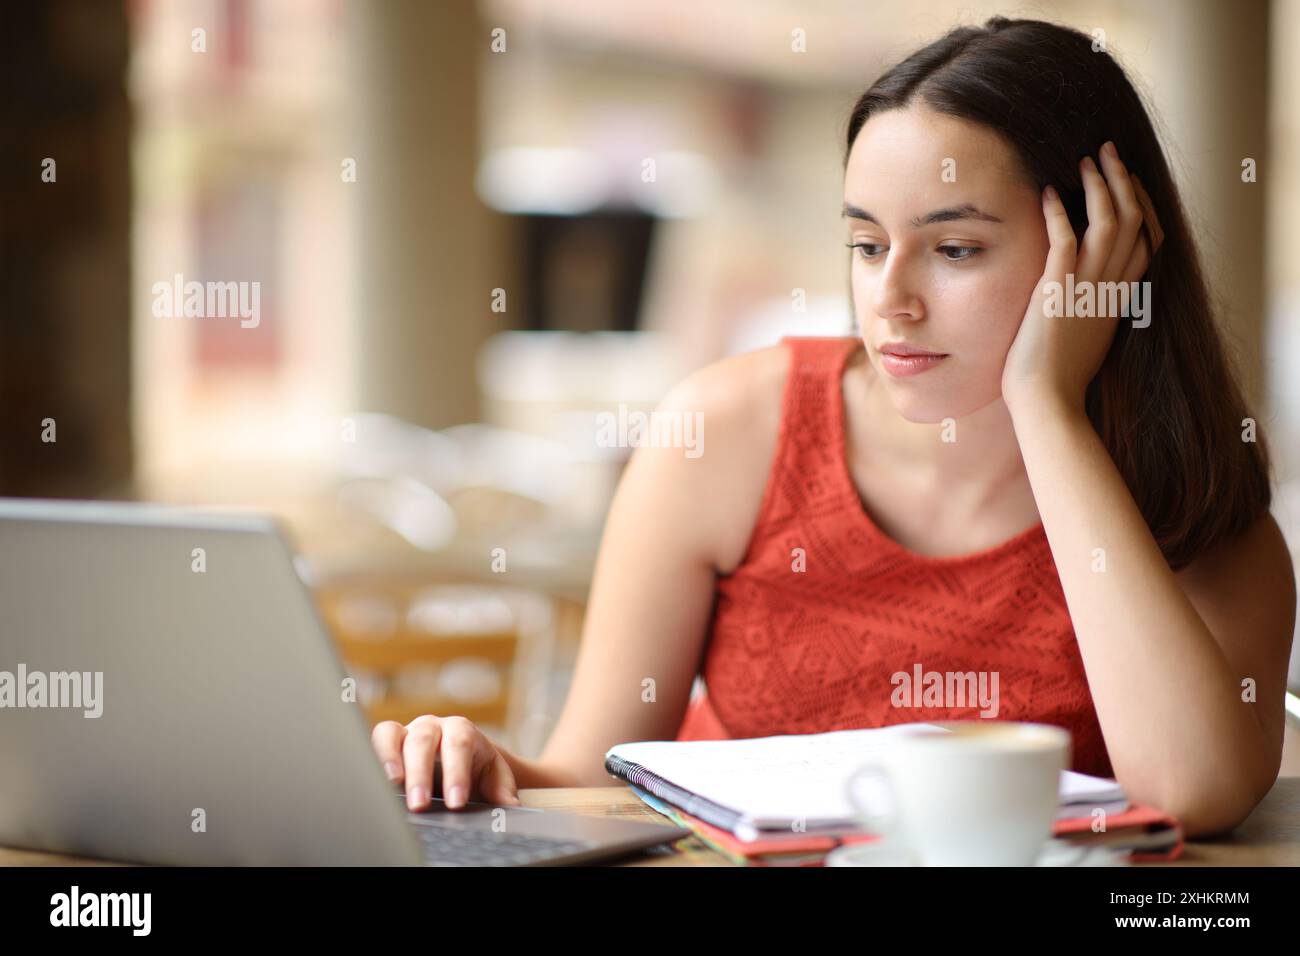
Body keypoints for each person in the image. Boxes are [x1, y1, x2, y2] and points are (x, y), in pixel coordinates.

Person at [370, 16, 1296, 838]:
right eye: (865, 244)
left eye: (955, 249)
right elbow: (582, 778)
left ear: (1100, 254)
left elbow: (1196, 789)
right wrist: (473, 766)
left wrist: (1047, 409)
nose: (890, 299)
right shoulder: (726, 432)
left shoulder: (1202, 514)